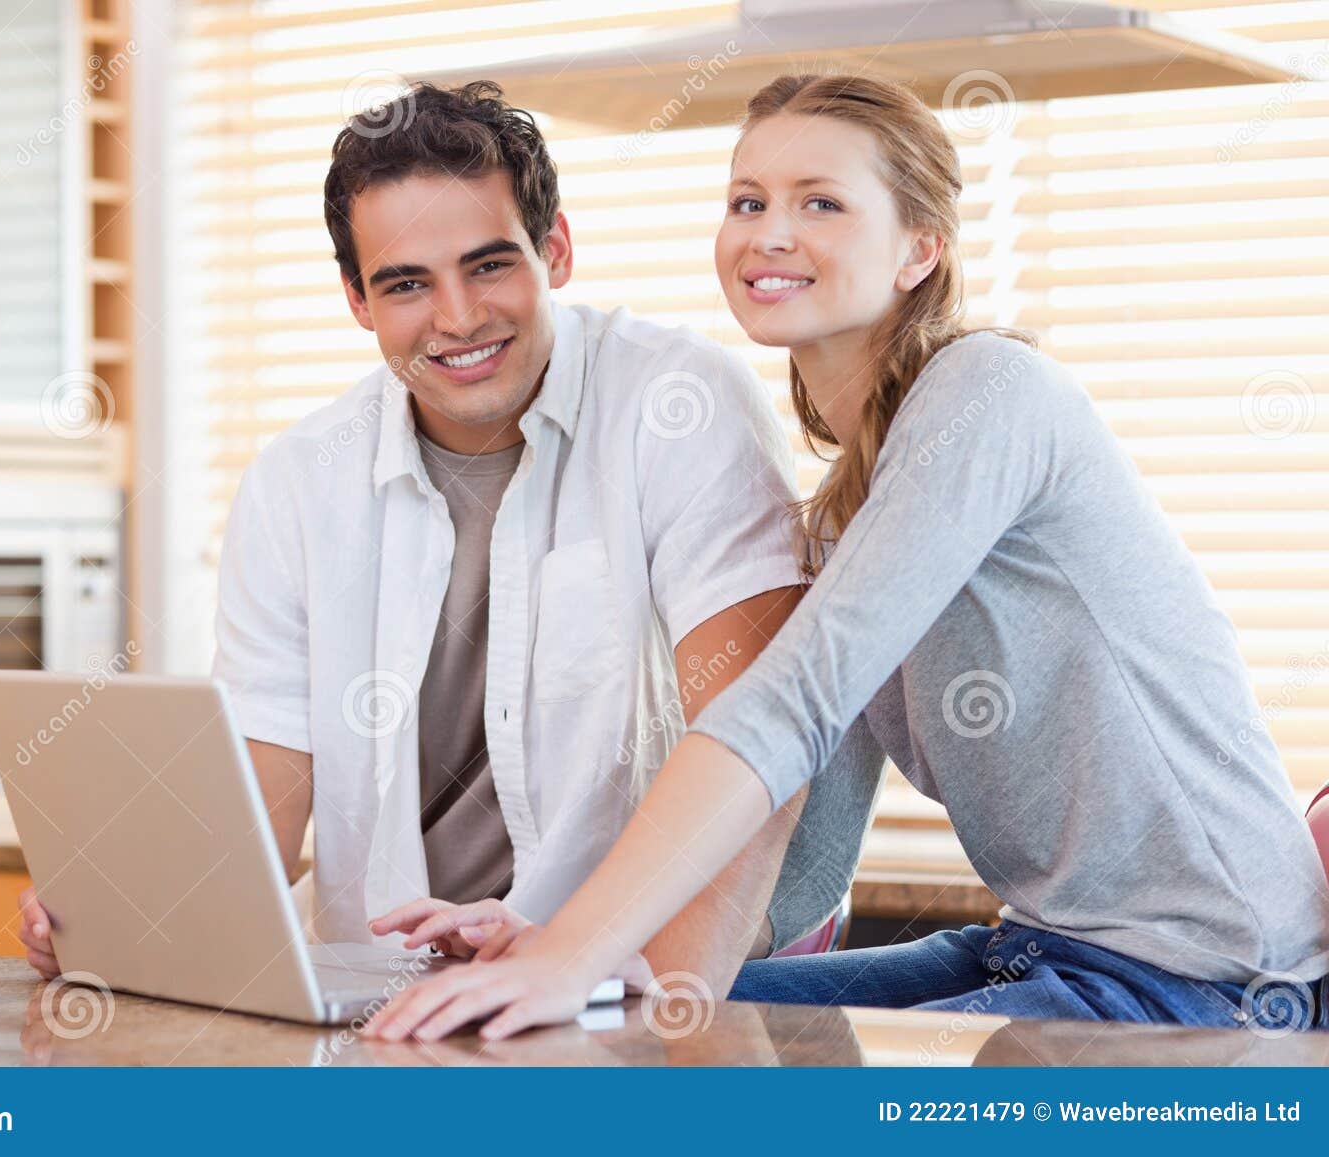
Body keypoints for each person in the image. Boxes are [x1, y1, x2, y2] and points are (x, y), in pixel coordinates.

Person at [363, 73, 1329, 1042]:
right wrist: (587, 954)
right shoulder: (841, 513)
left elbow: (785, 704)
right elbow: (803, 811)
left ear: (920, 248)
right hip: (1044, 943)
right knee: (627, 1030)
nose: (768, 233)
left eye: (818, 202)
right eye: (748, 201)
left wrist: (569, 953)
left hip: (1208, 976)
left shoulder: (991, 395)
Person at [16, 81, 883, 991]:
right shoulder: (297, 482)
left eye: (489, 265)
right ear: (357, 299)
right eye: (405, 284)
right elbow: (259, 810)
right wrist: (126, 911)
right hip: (384, 1001)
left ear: (556, 249)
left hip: (612, 980)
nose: (460, 317)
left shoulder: (678, 406)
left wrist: (644, 996)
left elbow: (754, 742)